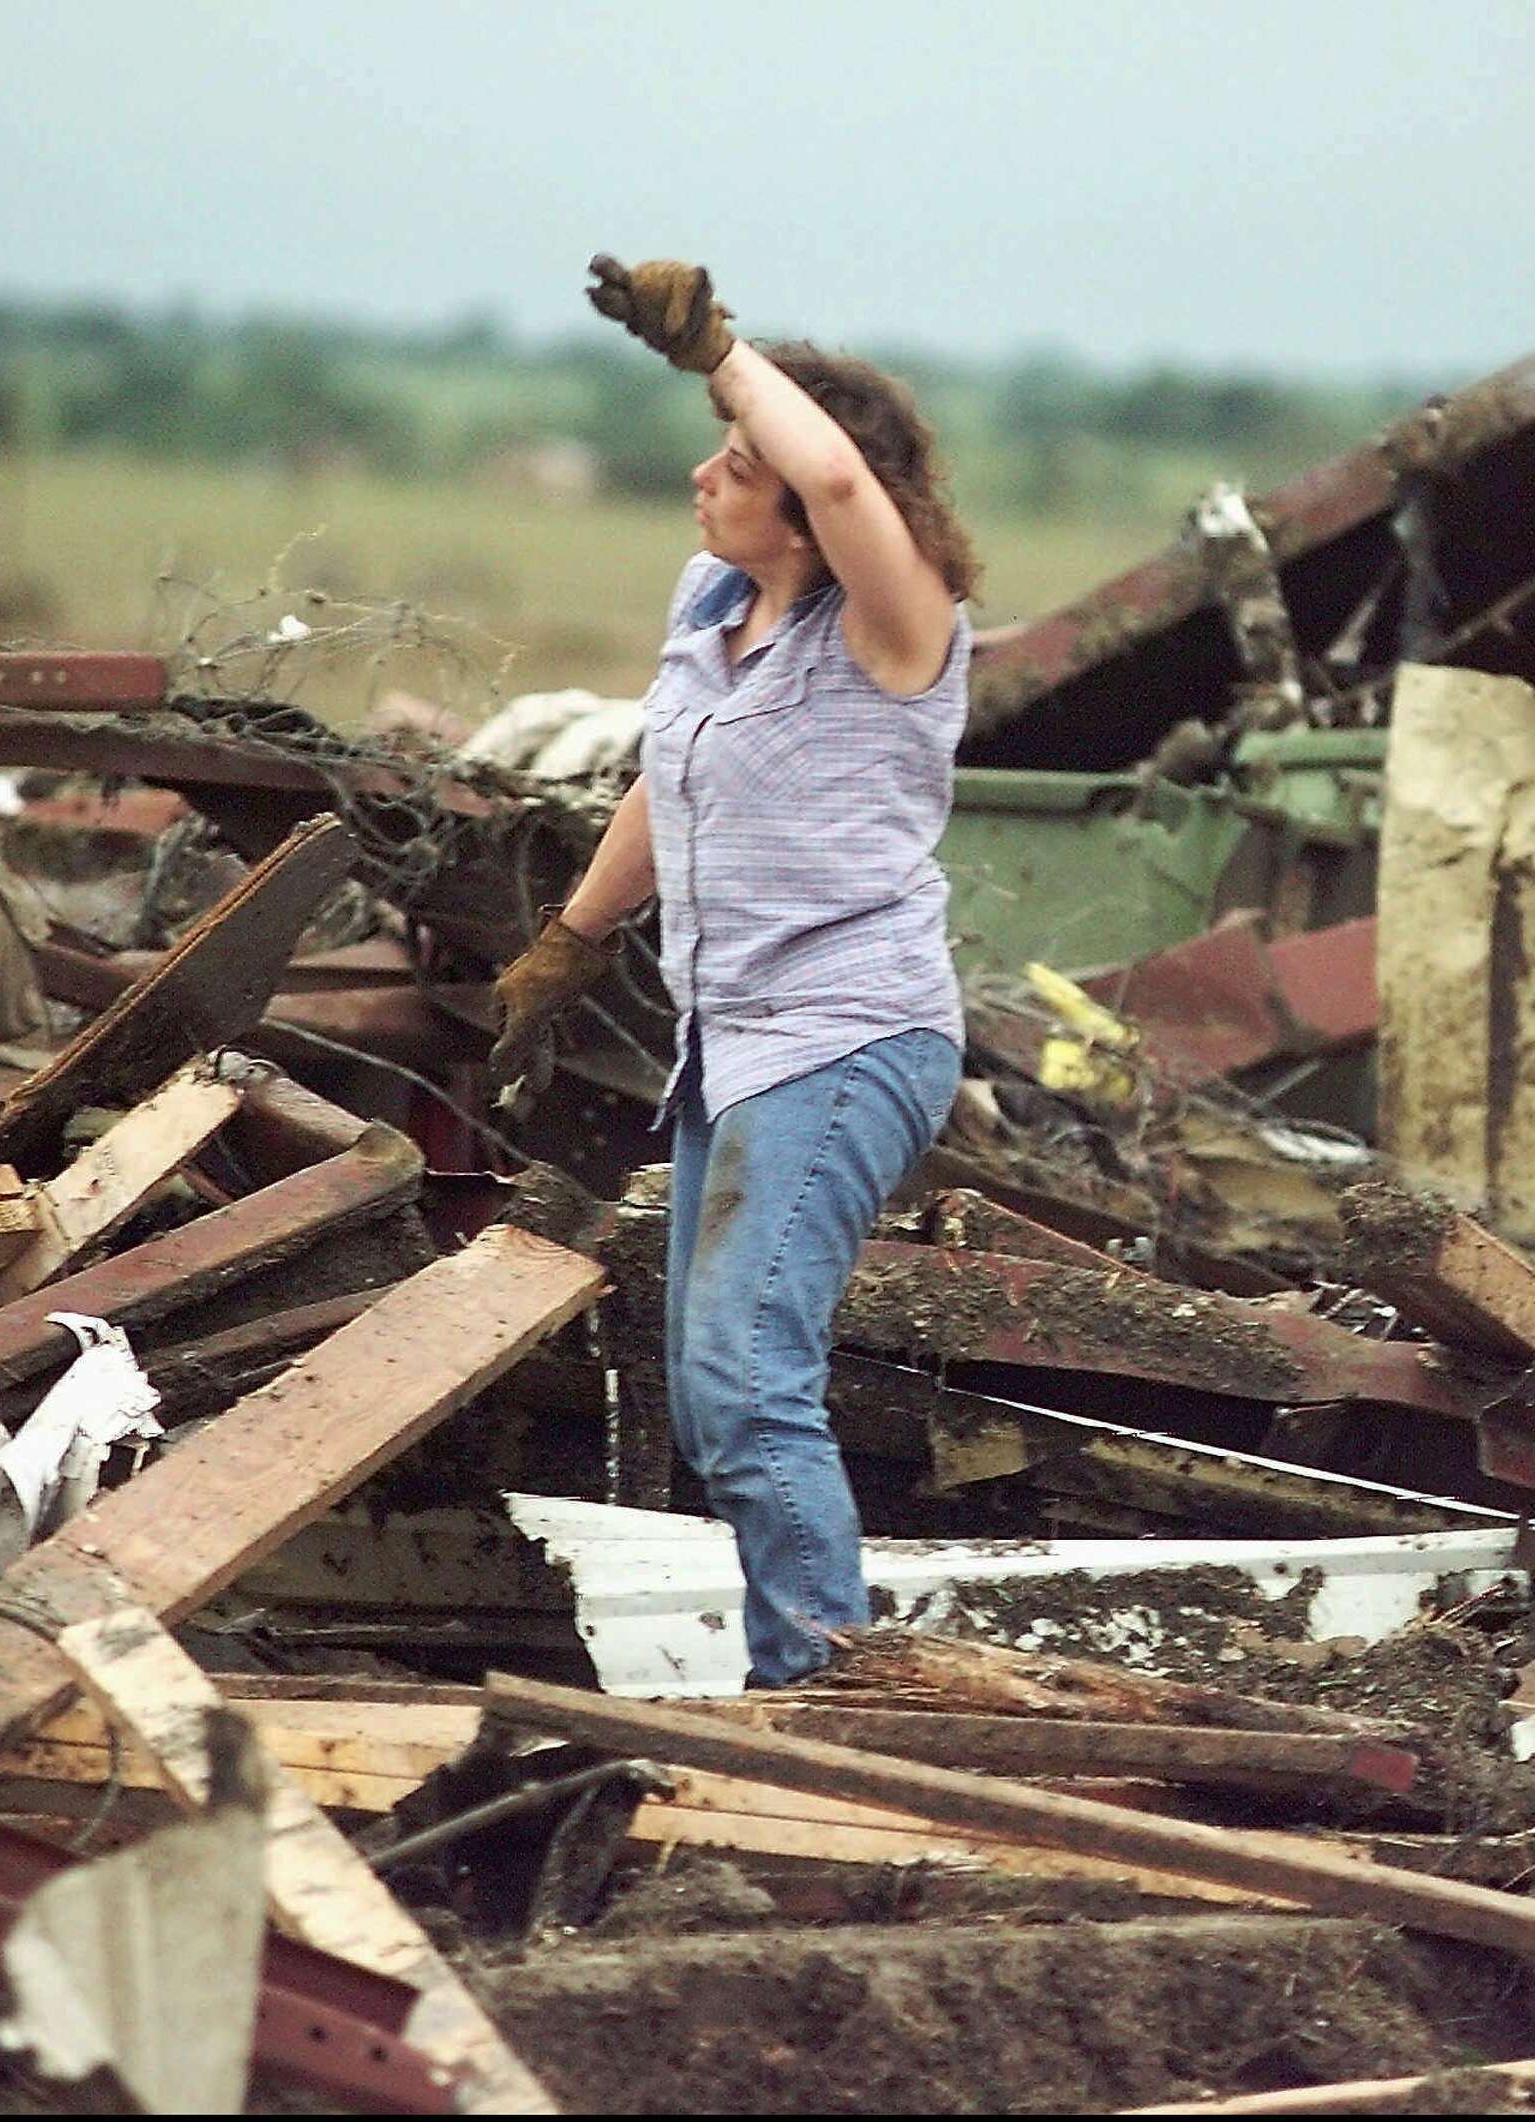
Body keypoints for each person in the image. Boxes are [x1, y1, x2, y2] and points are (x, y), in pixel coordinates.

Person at [490, 256, 980, 1686]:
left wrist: (718, 348)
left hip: (850, 1032)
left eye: (737, 458)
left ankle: (824, 1692)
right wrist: (569, 943)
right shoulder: (717, 600)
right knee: (717, 1401)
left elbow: (839, 486)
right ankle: (812, 1667)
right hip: (738, 1039)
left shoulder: (899, 623)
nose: (710, 473)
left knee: (750, 1383)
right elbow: (667, 774)